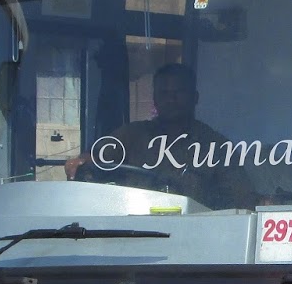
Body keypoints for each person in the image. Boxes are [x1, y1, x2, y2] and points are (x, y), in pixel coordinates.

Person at [66, 62, 258, 208]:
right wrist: (80, 162)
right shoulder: (130, 135)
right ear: (155, 98)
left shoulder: (216, 147)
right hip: (132, 233)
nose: (171, 99)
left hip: (194, 239)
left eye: (179, 92)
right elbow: (94, 159)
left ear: (195, 97)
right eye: (164, 92)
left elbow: (241, 202)